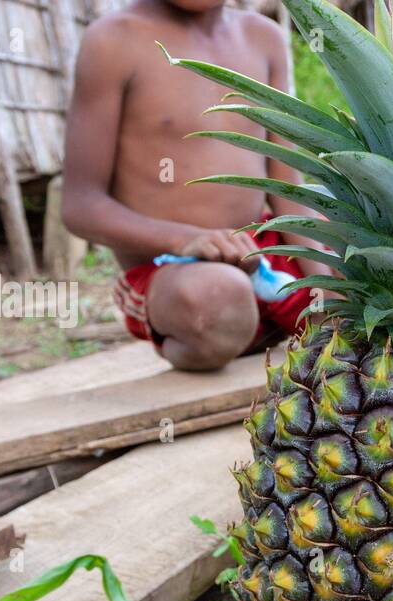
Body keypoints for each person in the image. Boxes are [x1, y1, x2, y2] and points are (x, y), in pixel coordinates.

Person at [62, 0, 326, 370]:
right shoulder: (114, 41)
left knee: (366, 247)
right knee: (218, 297)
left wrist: (325, 282)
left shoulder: (262, 37)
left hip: (260, 253)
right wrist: (184, 240)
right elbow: (81, 205)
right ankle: (215, 331)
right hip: (175, 271)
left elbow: (287, 187)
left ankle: (266, 320)